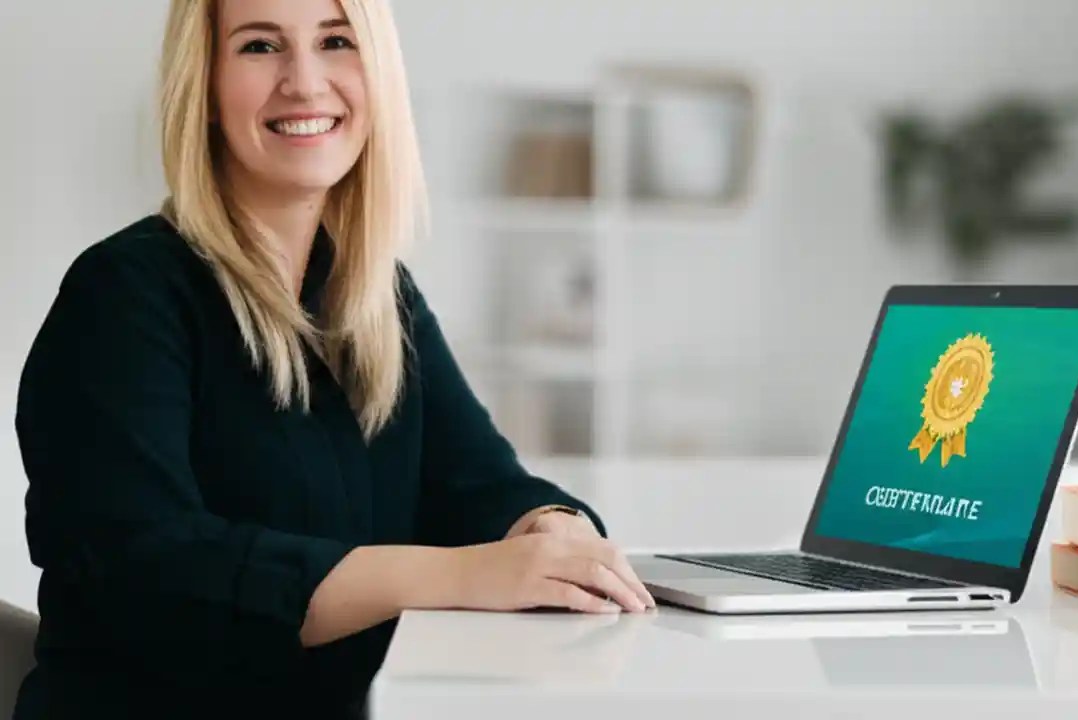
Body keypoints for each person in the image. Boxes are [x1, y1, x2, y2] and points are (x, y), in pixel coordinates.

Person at [11, 0, 654, 717]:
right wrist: (463, 575)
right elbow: (155, 577)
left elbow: (477, 483)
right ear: (206, 90)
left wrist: (549, 528)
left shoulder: (377, 295)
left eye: (336, 41)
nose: (306, 82)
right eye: (260, 47)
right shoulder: (125, 294)